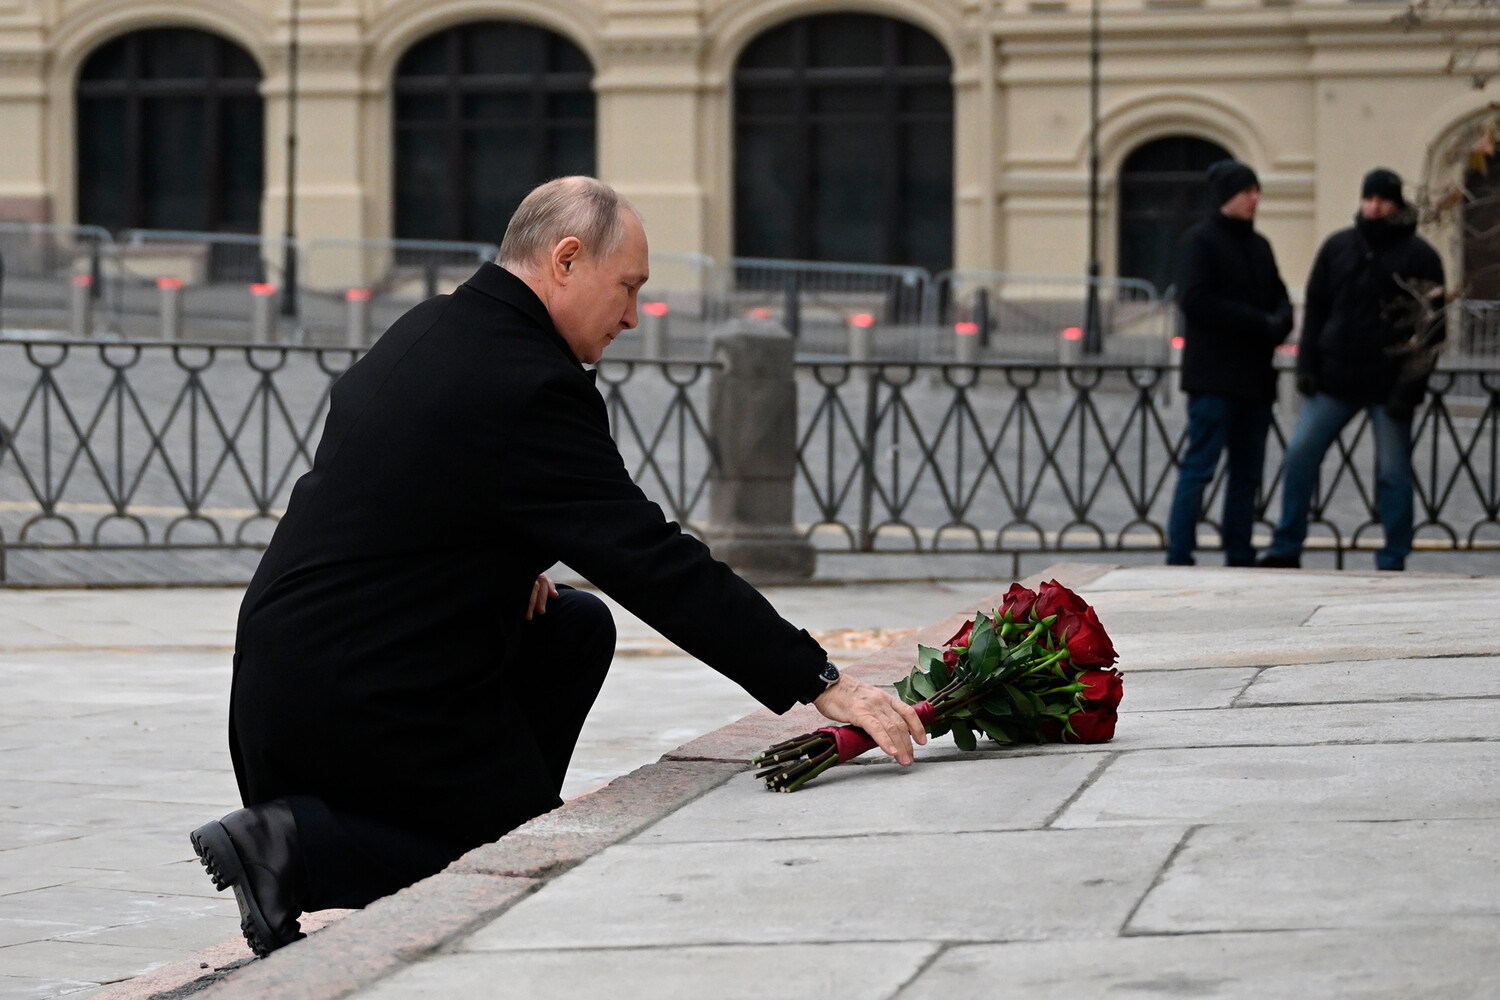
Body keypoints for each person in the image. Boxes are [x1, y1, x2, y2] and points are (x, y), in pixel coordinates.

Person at [188, 177, 927, 957]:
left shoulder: (432, 325)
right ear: (567, 259)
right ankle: (293, 845)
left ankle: (496, 811)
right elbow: (650, 559)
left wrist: (501, 558)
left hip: (291, 677)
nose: (633, 317)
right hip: (359, 703)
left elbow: (406, 494)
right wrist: (819, 680)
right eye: (629, 289)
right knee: (525, 863)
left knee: (572, 626)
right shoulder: (527, 382)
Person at [1258, 168, 1445, 571]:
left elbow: (1432, 329)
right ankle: (1286, 545)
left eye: (1382, 199)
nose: (1374, 206)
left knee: (1394, 473)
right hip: (1335, 378)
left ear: (1396, 204)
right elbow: (1317, 306)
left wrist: (1409, 390)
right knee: (1299, 456)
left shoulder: (1421, 255)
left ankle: (1393, 555)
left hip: (1390, 384)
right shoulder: (1338, 247)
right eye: (1369, 198)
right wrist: (1307, 364)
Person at [1165, 159, 1294, 566]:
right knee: (1199, 468)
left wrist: (1281, 321)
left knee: (1247, 474)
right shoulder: (1199, 241)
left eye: (1257, 191)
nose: (1255, 199)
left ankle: (1239, 551)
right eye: (1247, 192)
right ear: (1227, 197)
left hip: (1254, 380)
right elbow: (1196, 300)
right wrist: (1260, 322)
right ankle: (1180, 553)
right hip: (1214, 379)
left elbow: (1279, 294)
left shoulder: (1260, 245)